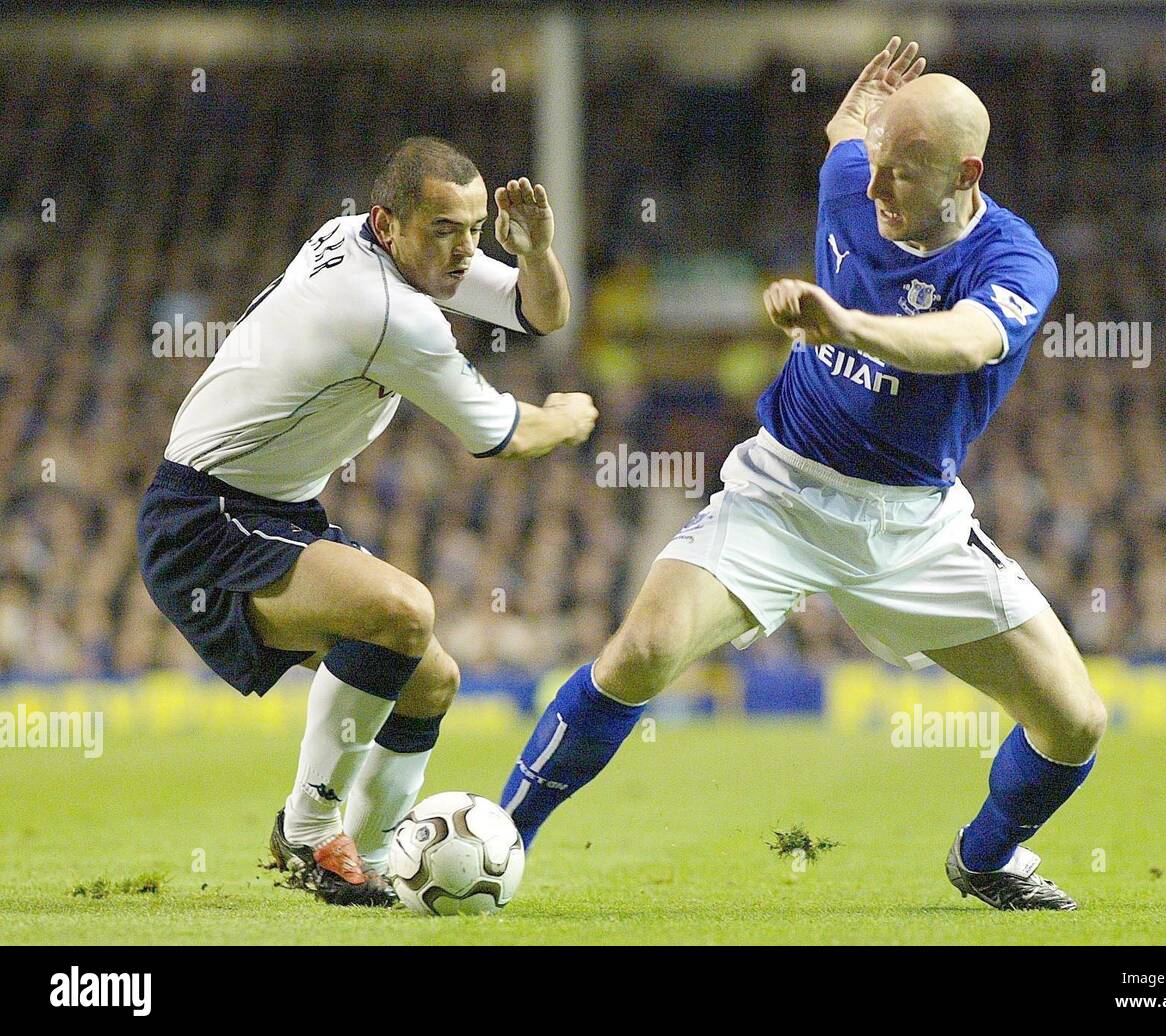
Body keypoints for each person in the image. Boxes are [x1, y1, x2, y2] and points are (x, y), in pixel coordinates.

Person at [497, 40, 1106, 911]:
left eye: (905, 172)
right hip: (781, 492)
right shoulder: (850, 185)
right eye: (876, 163)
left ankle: (986, 857)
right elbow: (844, 143)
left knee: (1075, 724)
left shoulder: (1014, 259)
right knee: (641, 651)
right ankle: (499, 839)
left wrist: (848, 326)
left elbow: (968, 342)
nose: (876, 188)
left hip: (912, 527)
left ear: (967, 172)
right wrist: (852, 124)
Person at [138, 137, 597, 905]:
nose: (464, 250)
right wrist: (564, 415)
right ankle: (311, 831)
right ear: (388, 224)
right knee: (401, 609)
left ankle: (377, 860)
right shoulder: (385, 312)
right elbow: (509, 437)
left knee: (431, 683)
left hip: (272, 510)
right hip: (203, 517)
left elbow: (535, 312)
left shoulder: (363, 240)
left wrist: (539, 253)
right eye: (446, 229)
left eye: (476, 229)